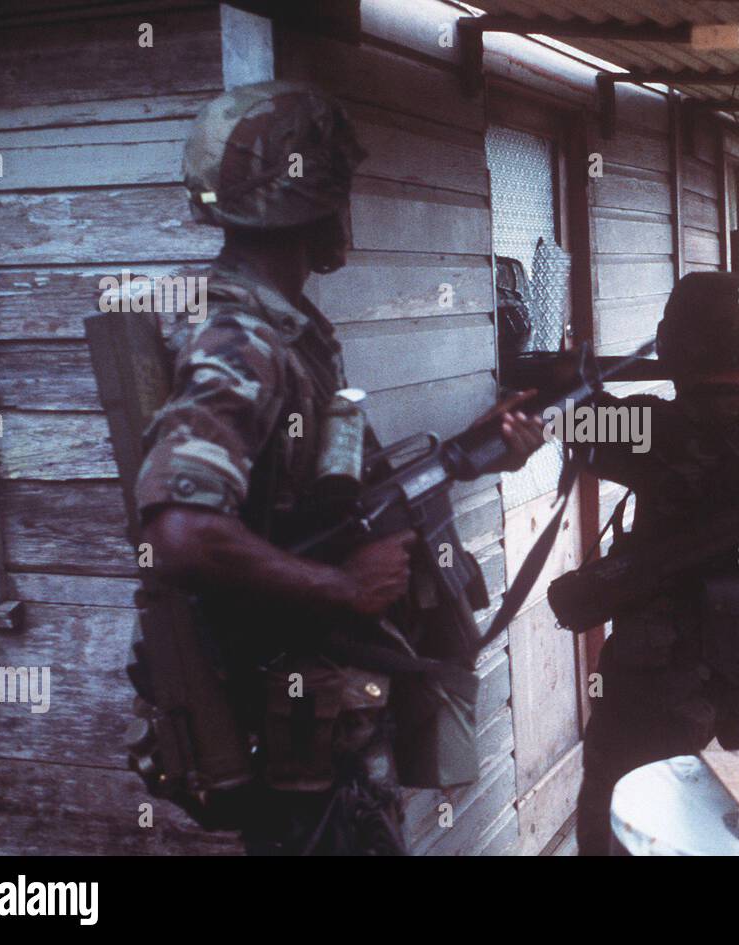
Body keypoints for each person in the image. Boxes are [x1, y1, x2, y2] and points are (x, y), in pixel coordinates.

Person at [135, 81, 544, 854]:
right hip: (293, 744)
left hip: (325, 732)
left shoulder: (287, 329)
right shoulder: (243, 338)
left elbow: (319, 509)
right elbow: (179, 529)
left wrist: (473, 448)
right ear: (313, 200)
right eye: (340, 190)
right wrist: (344, 586)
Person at [572, 271, 739, 855]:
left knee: (615, 808)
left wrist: (576, 374)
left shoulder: (645, 428)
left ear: (672, 344)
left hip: (660, 662)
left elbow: (579, 430)